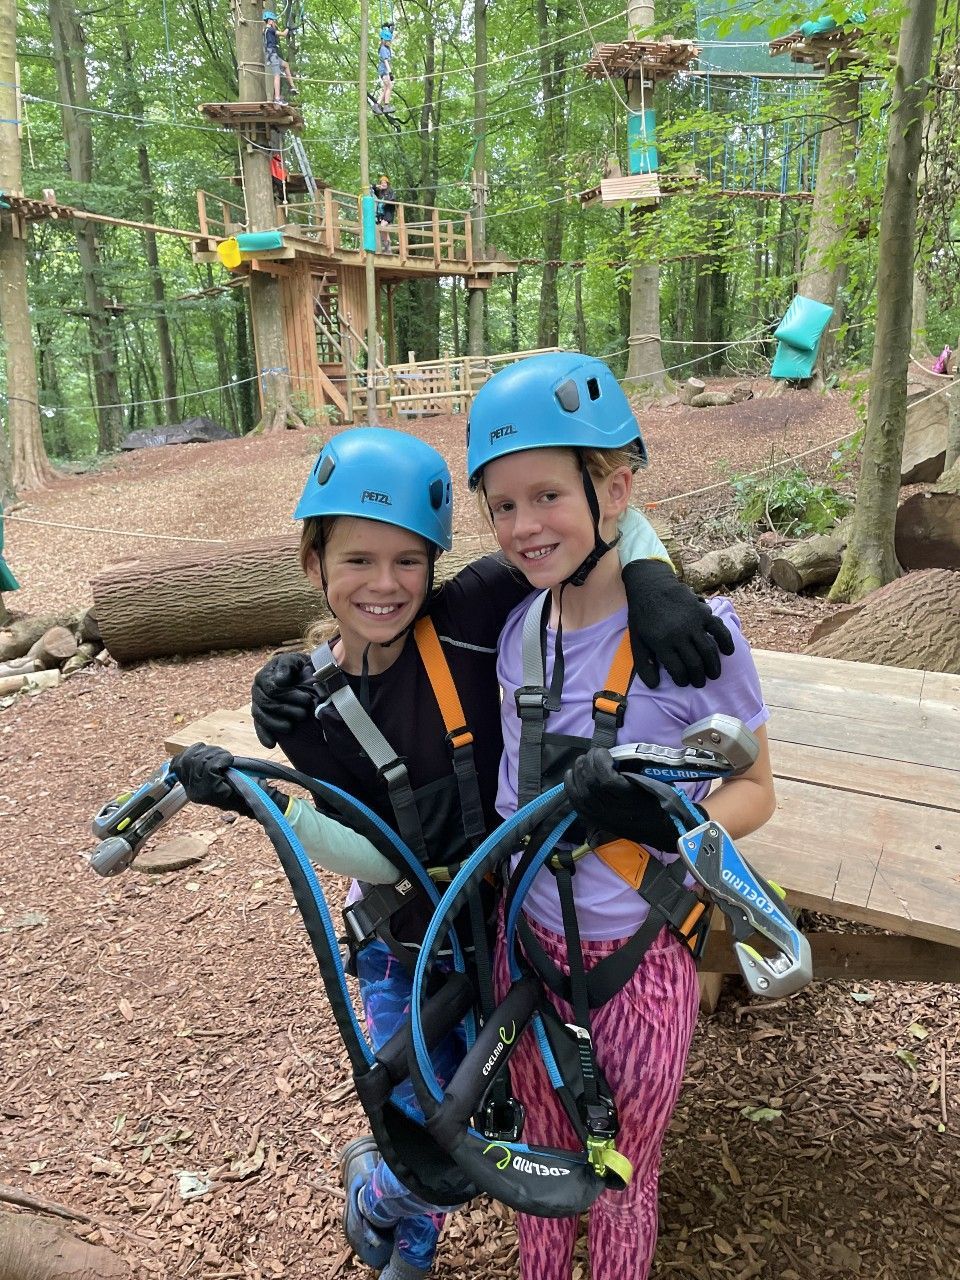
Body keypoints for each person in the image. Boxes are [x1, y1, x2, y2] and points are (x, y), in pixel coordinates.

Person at [172, 424, 733, 1280]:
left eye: (408, 561)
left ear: (434, 564)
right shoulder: (311, 709)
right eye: (357, 561)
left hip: (501, 926)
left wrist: (652, 578)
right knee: (430, 1125)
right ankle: (398, 1209)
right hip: (406, 943)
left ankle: (415, 1200)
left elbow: (574, 530)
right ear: (313, 567)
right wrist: (267, 802)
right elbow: (368, 847)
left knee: (503, 1114)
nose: (385, 585)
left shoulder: (470, 618)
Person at [466, 351, 777, 1280]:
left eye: (547, 496)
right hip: (527, 953)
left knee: (621, 1173)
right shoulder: (521, 632)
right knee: (541, 1162)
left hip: (636, 962)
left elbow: (757, 793)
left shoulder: (694, 639)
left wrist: (656, 821)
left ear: (615, 491)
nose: (524, 526)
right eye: (503, 504)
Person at [263, 10, 297, 105]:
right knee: (277, 76)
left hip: (273, 55)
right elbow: (283, 34)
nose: (275, 23)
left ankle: (292, 86)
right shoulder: (269, 29)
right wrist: (288, 28)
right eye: (274, 21)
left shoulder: (267, 31)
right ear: (270, 21)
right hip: (272, 55)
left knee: (286, 65)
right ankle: (277, 98)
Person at [374, 23, 395, 114]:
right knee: (389, 86)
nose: (390, 42)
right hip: (384, 71)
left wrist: (391, 26)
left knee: (386, 88)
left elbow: (389, 33)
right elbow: (386, 61)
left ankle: (376, 105)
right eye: (388, 41)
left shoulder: (386, 46)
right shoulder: (383, 49)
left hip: (385, 71)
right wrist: (390, 73)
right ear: (384, 40)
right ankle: (386, 106)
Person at [372, 175, 396, 253]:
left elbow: (393, 199)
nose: (383, 184)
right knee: (384, 231)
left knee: (382, 227)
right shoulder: (379, 192)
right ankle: (388, 248)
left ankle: (387, 247)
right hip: (380, 214)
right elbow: (371, 187)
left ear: (387, 183)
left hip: (388, 213)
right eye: (382, 183)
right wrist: (378, 186)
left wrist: (386, 201)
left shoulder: (390, 191)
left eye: (385, 183)